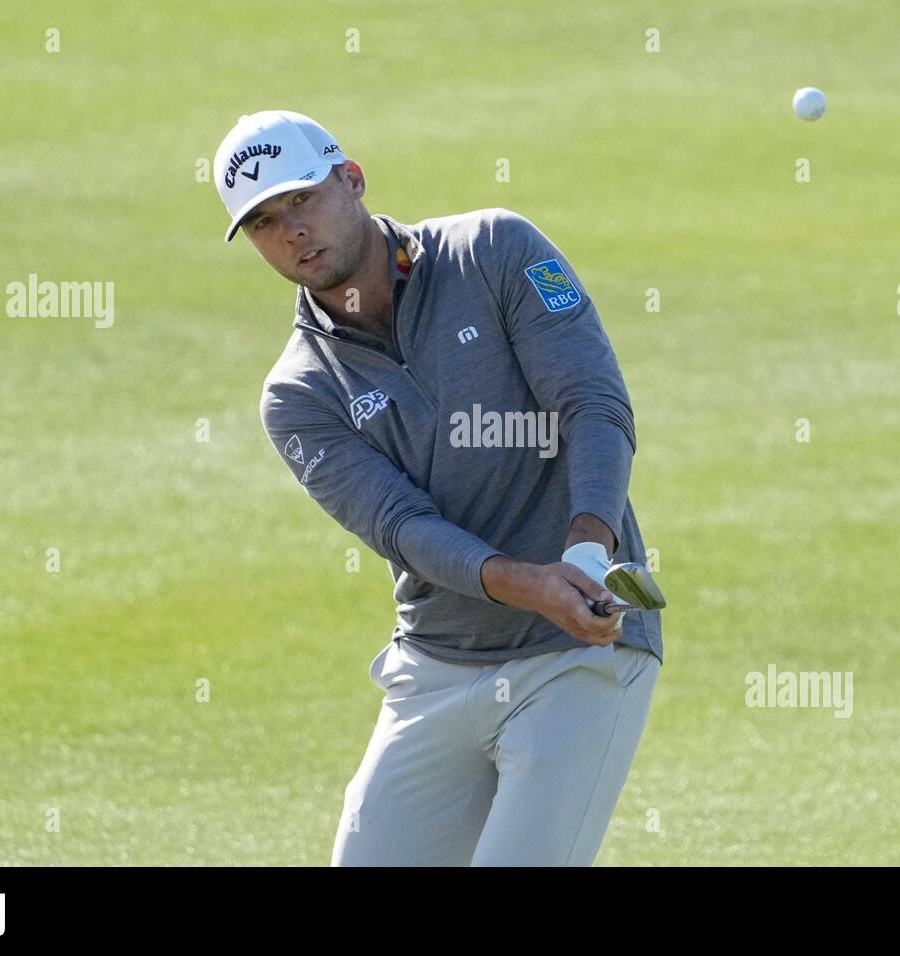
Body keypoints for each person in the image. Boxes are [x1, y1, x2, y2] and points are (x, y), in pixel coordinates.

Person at [212, 110, 664, 866]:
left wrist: (586, 556)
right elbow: (404, 528)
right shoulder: (298, 394)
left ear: (351, 180)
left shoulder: (495, 250)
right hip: (435, 668)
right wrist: (527, 582)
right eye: (262, 221)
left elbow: (592, 403)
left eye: (302, 199)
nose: (292, 230)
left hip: (579, 652)